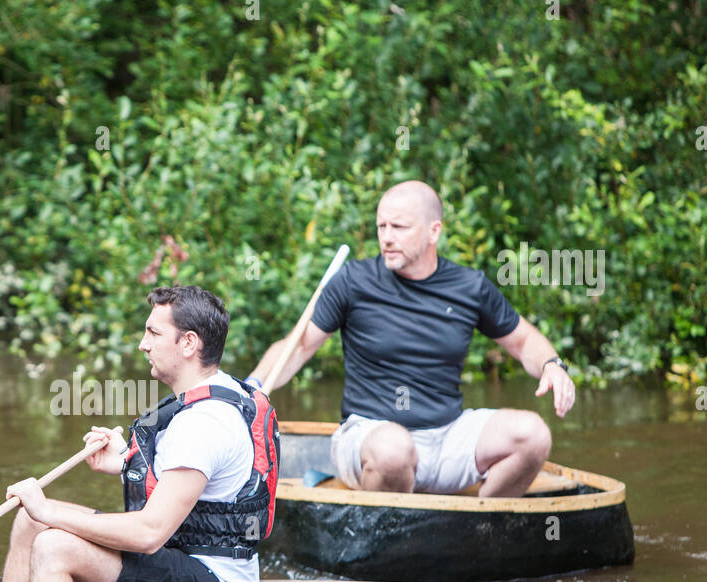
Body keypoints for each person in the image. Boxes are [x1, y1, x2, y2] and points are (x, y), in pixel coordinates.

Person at [247, 180, 576, 498]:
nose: (387, 238)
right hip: (369, 437)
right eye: (381, 227)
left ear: (434, 231)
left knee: (533, 435)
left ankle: (486, 526)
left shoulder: (469, 287)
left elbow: (523, 341)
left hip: (446, 434)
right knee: (394, 449)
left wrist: (552, 365)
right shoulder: (354, 281)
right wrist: (250, 391)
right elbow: (298, 346)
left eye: (399, 228)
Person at [0, 284, 277, 582]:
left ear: (188, 343)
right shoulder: (212, 394)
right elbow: (189, 488)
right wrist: (127, 461)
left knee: (54, 546)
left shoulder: (205, 424)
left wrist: (49, 511)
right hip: (183, 561)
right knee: (28, 523)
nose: (143, 344)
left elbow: (149, 533)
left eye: (154, 333)